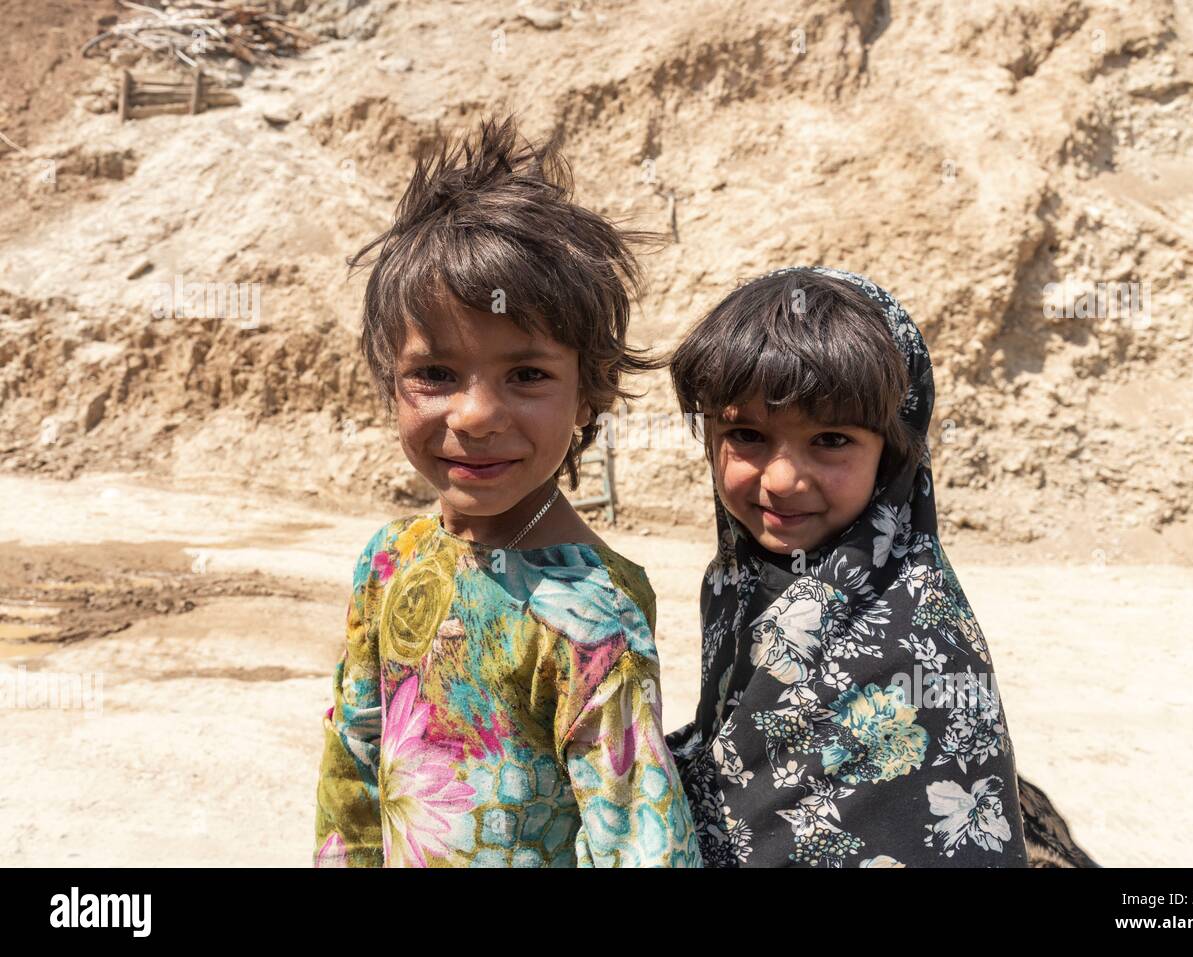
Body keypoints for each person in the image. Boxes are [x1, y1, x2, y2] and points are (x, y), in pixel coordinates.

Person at [312, 116, 699, 867]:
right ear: (389, 382)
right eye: (436, 374)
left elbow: (638, 843)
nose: (478, 415)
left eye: (526, 375)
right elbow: (349, 775)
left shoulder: (591, 616)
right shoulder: (388, 563)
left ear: (588, 394)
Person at [666, 265, 1096, 867]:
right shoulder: (739, 581)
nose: (784, 479)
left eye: (832, 440)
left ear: (894, 453)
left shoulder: (912, 641)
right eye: (747, 434)